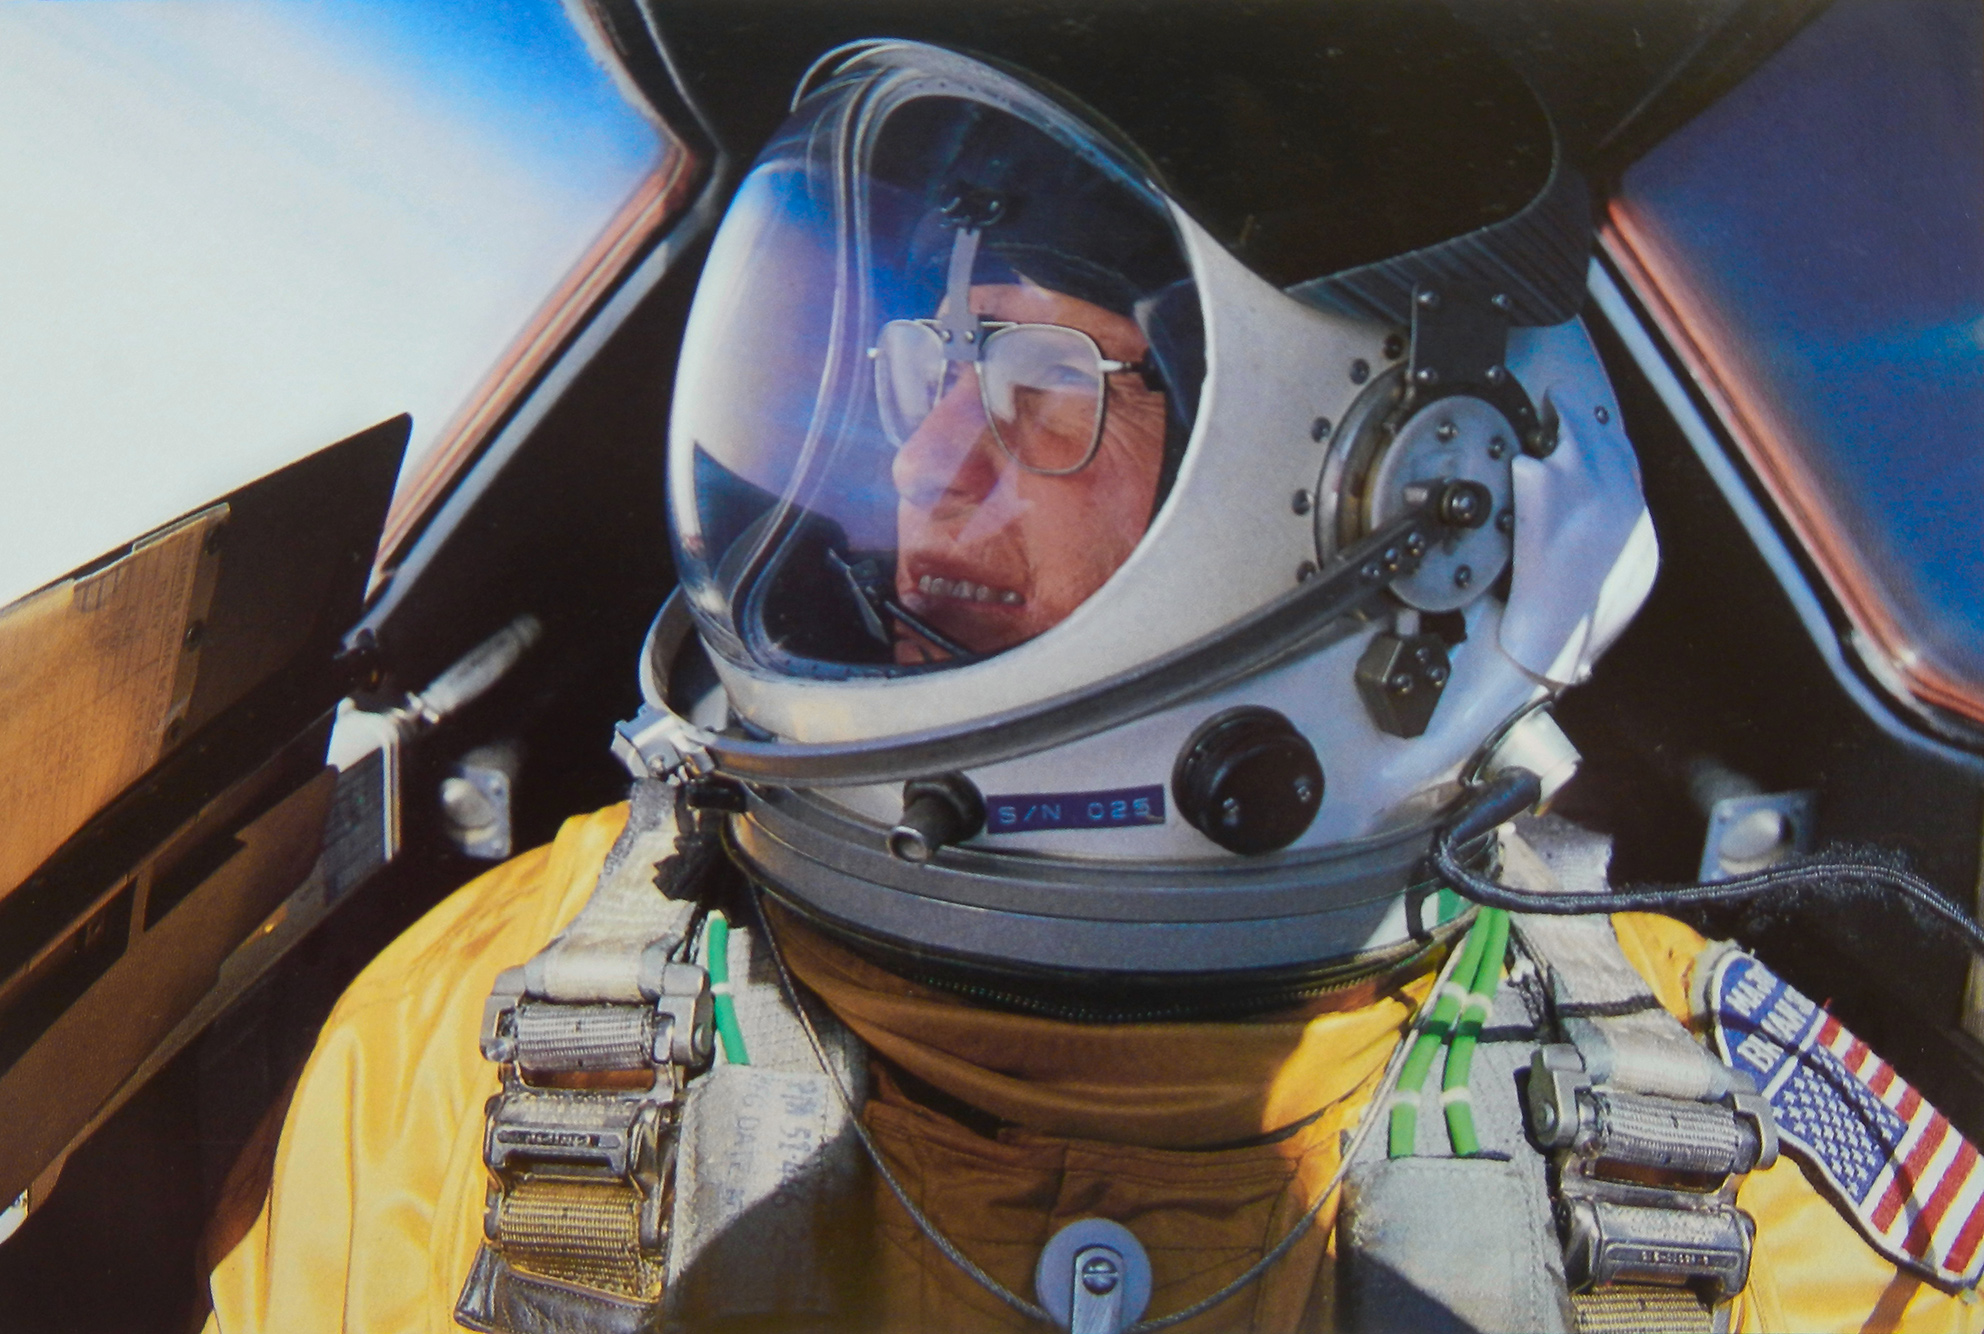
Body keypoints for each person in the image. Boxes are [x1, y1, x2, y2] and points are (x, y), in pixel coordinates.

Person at [203, 32, 1984, 1334]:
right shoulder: (469, 1046)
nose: (925, 471)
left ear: (1400, 496)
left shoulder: (1722, 1171)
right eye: (924, 366)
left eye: (1042, 382)